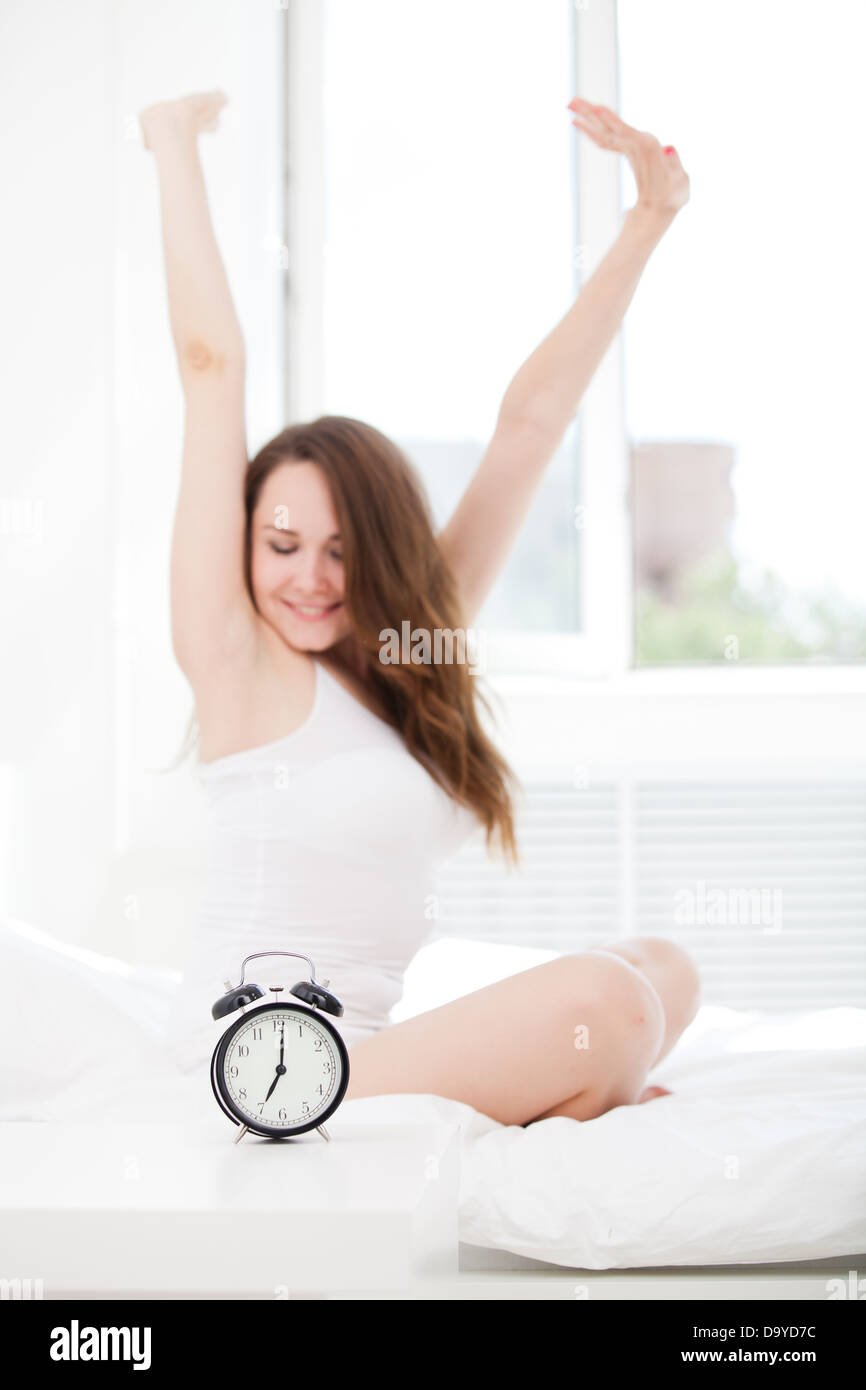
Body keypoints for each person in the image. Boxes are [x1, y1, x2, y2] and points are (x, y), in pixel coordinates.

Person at [141, 89, 699, 1125]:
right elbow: (210, 367)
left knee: (661, 968)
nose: (308, 577)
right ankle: (587, 1078)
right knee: (609, 1002)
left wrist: (646, 221)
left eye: (343, 550)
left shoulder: (410, 646)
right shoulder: (236, 664)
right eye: (281, 545)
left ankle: (581, 1072)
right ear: (245, 545)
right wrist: (172, 146)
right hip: (257, 1057)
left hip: (364, 1051)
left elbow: (528, 426)